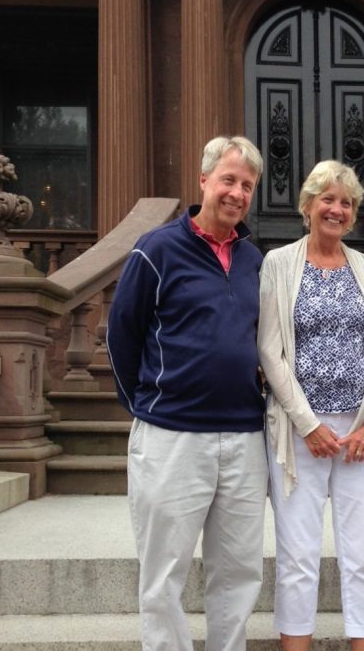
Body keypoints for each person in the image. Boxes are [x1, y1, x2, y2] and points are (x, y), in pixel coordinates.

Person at [107, 136, 267, 651]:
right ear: (203, 181)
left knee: (239, 573)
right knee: (163, 576)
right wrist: (148, 404)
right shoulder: (157, 249)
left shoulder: (255, 261)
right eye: (228, 179)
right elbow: (120, 334)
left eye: (246, 184)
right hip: (172, 437)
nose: (236, 192)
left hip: (244, 437)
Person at [257, 160, 364, 651]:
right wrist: (309, 424)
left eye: (346, 202)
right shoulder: (277, 263)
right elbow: (269, 352)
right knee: (298, 554)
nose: (336, 209)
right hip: (299, 435)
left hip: (360, 434)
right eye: (328, 199)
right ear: (307, 206)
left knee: (362, 552)